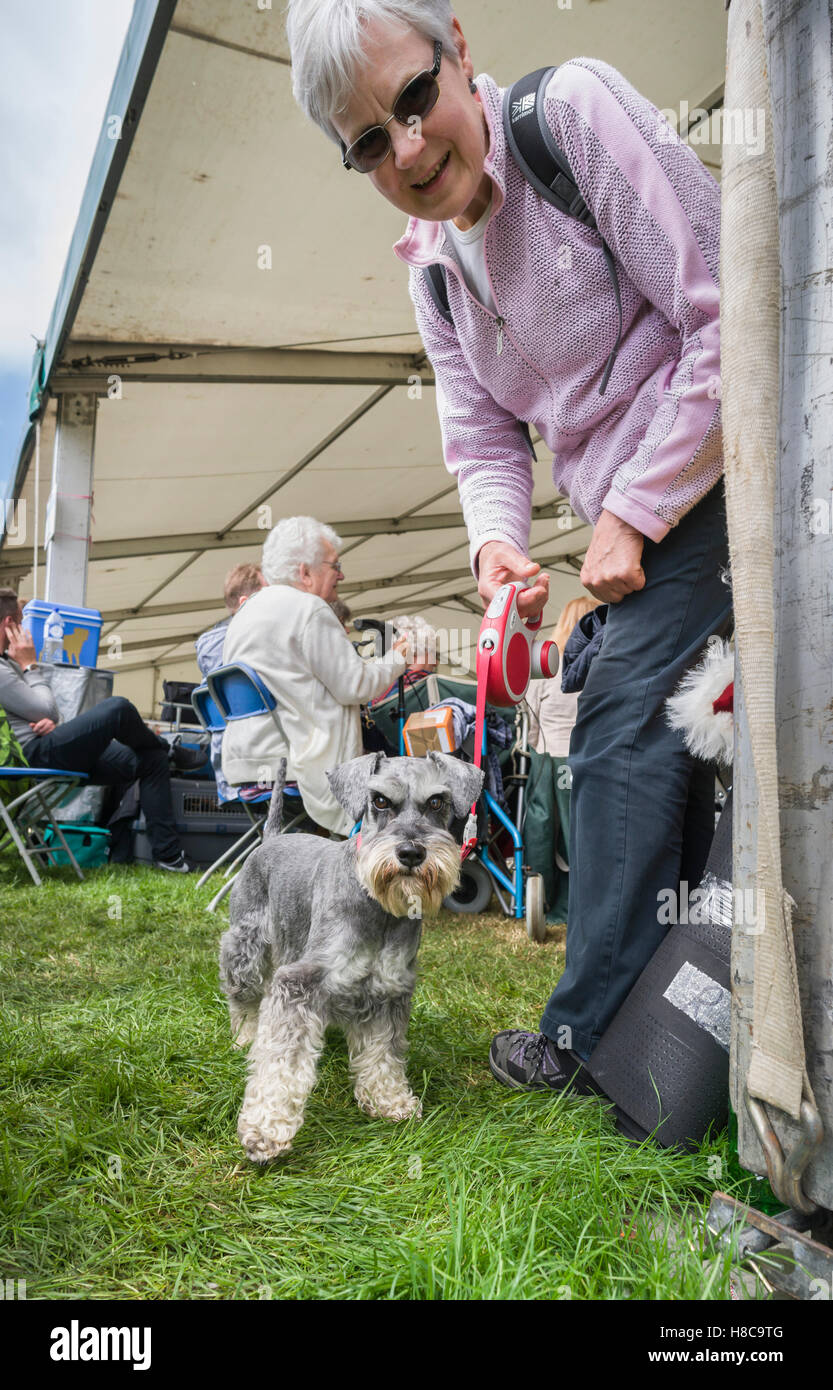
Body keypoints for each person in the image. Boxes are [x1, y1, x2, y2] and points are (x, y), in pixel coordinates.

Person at [286, 1, 731, 1093]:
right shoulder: (432, 270)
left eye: (411, 101)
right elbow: (484, 437)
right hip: (635, 527)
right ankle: (669, 1028)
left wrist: (629, 508)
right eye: (364, 145)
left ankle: (583, 1043)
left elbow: (729, 316)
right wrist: (496, 550)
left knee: (622, 727)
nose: (404, 149)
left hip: (722, 485)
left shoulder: (568, 116)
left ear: (458, 54)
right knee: (602, 728)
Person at [220, 517, 411, 834]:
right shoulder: (309, 610)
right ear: (304, 572)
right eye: (335, 566)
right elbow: (356, 685)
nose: (342, 574)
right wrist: (396, 659)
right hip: (296, 767)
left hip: (246, 761)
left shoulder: (244, 615)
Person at [0, 588, 200, 872]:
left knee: (151, 761)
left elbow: (38, 712)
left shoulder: (7, 664)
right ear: (10, 624)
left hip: (41, 745)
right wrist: (31, 666)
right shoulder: (6, 667)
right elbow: (46, 708)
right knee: (117, 709)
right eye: (21, 623)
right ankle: (169, 749)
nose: (26, 633)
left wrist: (45, 718)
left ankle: (169, 857)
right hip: (33, 755)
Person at [195, 563, 266, 802]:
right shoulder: (254, 646)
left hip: (230, 774)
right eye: (268, 595)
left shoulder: (211, 655)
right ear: (246, 603)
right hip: (266, 771)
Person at [525, 597, 601, 759]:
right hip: (589, 759)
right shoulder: (602, 670)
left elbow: (529, 725)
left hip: (549, 761)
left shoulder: (545, 667)